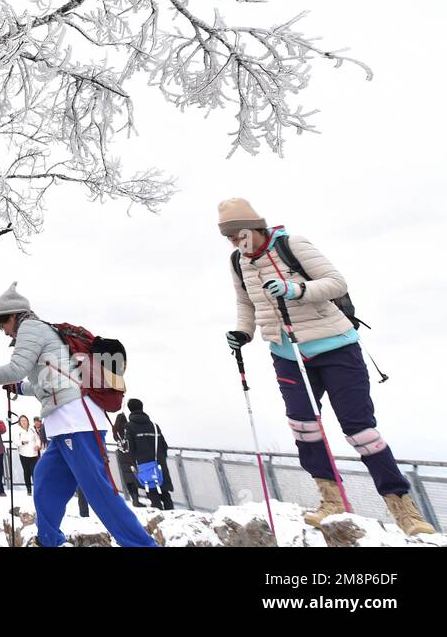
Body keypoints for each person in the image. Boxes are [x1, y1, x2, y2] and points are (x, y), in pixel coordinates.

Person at [218, 198, 433, 535]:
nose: (235, 243)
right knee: (303, 426)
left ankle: (404, 509)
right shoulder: (237, 262)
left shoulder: (293, 245)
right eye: (229, 239)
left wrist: (296, 289)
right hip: (286, 353)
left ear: (254, 227)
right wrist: (242, 333)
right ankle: (331, 500)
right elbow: (245, 302)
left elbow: (336, 283)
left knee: (360, 430)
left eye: (238, 235)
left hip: (335, 347)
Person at [0, 282, 157, 548]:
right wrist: (17, 388)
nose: (4, 332)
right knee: (44, 481)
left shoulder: (30, 328)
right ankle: (48, 540)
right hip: (63, 424)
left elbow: (17, 368)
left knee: (99, 493)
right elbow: (46, 383)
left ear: (13, 316)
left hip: (77, 420)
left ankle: (142, 545)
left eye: (2, 324)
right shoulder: (42, 333)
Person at [125, 399, 173, 510]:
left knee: (152, 493)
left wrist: (133, 463)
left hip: (144, 465)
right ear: (142, 407)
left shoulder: (129, 427)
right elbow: (164, 446)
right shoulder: (154, 426)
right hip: (159, 464)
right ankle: (172, 517)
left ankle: (160, 522)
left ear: (129, 409)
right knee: (165, 493)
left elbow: (130, 448)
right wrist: (161, 459)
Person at [112, 412, 142, 507]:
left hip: (121, 455)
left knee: (127, 477)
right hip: (130, 455)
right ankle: (136, 499)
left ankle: (133, 499)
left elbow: (116, 440)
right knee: (133, 476)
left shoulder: (115, 430)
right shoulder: (127, 428)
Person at [13, 414, 41, 496]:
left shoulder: (32, 429)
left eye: (25, 420)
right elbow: (15, 441)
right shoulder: (18, 431)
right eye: (22, 421)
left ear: (28, 421)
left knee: (35, 472)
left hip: (33, 454)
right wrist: (21, 442)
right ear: (20, 422)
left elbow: (37, 439)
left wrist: (38, 445)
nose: (24, 422)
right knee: (26, 472)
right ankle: (28, 489)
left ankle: (36, 489)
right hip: (24, 455)